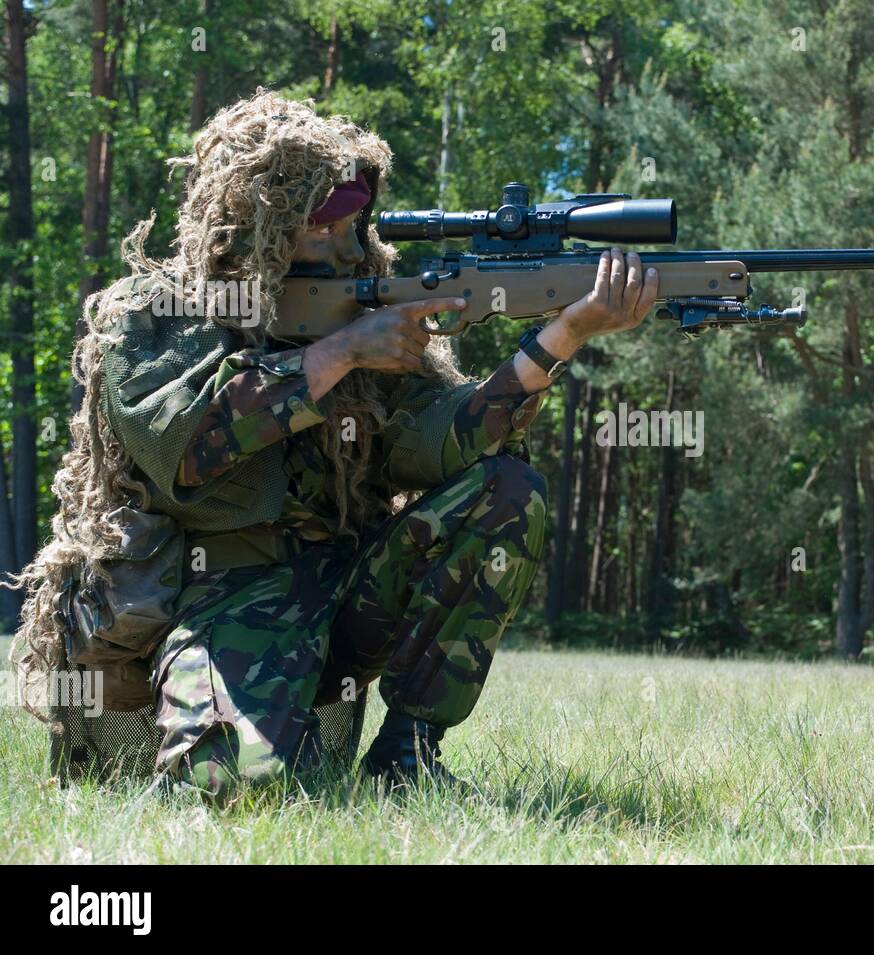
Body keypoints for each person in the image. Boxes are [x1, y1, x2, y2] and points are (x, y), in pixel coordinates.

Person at [8, 89, 658, 804]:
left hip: (348, 585)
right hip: (225, 602)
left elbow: (446, 443)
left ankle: (407, 758)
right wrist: (342, 353)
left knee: (506, 490)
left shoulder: (366, 313)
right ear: (258, 224)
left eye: (356, 224)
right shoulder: (156, 313)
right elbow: (185, 445)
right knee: (228, 791)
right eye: (323, 229)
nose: (350, 246)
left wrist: (562, 336)